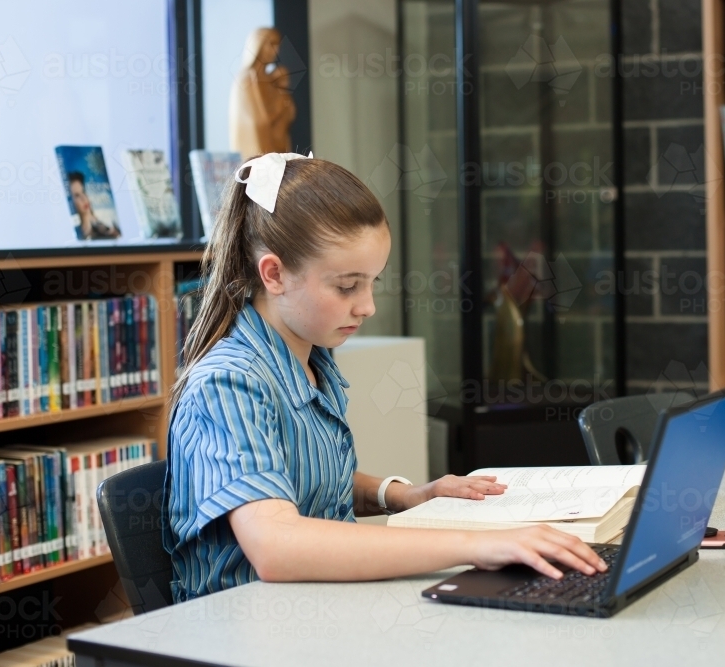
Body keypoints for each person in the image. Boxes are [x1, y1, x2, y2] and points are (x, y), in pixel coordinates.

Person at [163, 153, 606, 602]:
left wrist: (404, 495)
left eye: (372, 281)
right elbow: (277, 545)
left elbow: (297, 481)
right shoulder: (228, 384)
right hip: (245, 629)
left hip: (318, 606)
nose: (367, 306)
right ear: (274, 274)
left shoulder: (310, 358)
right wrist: (478, 545)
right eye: (346, 286)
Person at [228, 27, 296, 158]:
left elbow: (288, 114)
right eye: (271, 44)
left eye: (277, 45)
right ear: (257, 46)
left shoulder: (272, 80)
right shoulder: (247, 79)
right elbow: (256, 122)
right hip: (260, 155)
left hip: (279, 152)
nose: (275, 50)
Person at [67, 171, 121, 240]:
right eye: (77, 196)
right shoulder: (78, 236)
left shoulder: (104, 224)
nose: (84, 198)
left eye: (83, 191)